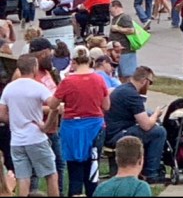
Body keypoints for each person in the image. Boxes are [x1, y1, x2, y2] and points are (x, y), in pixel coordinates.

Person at [48, 45, 109, 197]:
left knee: (74, 170)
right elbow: (106, 105)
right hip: (95, 126)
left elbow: (52, 104)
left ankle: (74, 193)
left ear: (73, 61)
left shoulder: (68, 82)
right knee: (93, 168)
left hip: (72, 127)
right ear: (89, 60)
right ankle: (92, 193)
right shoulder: (99, 79)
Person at [0, 54, 60, 197]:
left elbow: (1, 114)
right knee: (51, 174)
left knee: (23, 177)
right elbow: (54, 106)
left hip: (16, 140)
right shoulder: (38, 87)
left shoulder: (9, 88)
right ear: (35, 68)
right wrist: (46, 126)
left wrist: (14, 120)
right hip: (36, 137)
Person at [104, 66, 166, 184]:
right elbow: (146, 125)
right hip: (117, 135)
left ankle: (145, 169)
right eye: (150, 83)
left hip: (112, 132)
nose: (149, 86)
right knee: (159, 132)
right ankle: (151, 173)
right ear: (144, 81)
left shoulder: (123, 89)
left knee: (151, 128)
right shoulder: (132, 95)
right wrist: (156, 114)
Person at [109, 0, 138, 80]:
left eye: (110, 8)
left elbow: (131, 30)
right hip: (119, 53)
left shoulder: (125, 17)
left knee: (128, 75)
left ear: (116, 7)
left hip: (126, 51)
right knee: (121, 75)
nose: (109, 10)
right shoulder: (115, 19)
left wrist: (118, 29)